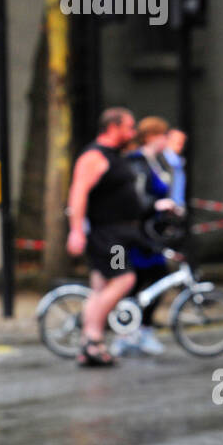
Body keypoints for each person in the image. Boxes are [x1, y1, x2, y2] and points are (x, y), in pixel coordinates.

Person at [65, 106, 175, 368]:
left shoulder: (115, 155)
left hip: (121, 233)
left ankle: (92, 344)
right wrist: (76, 230)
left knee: (101, 288)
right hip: (108, 234)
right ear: (113, 127)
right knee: (124, 280)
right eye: (129, 127)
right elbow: (78, 194)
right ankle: (92, 338)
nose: (133, 132)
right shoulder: (94, 156)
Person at [114, 116, 174, 357]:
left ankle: (139, 328)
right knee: (127, 281)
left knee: (153, 277)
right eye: (163, 135)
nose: (166, 140)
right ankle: (126, 332)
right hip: (135, 235)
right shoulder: (136, 162)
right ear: (151, 136)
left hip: (149, 233)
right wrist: (157, 205)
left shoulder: (152, 162)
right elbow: (137, 199)